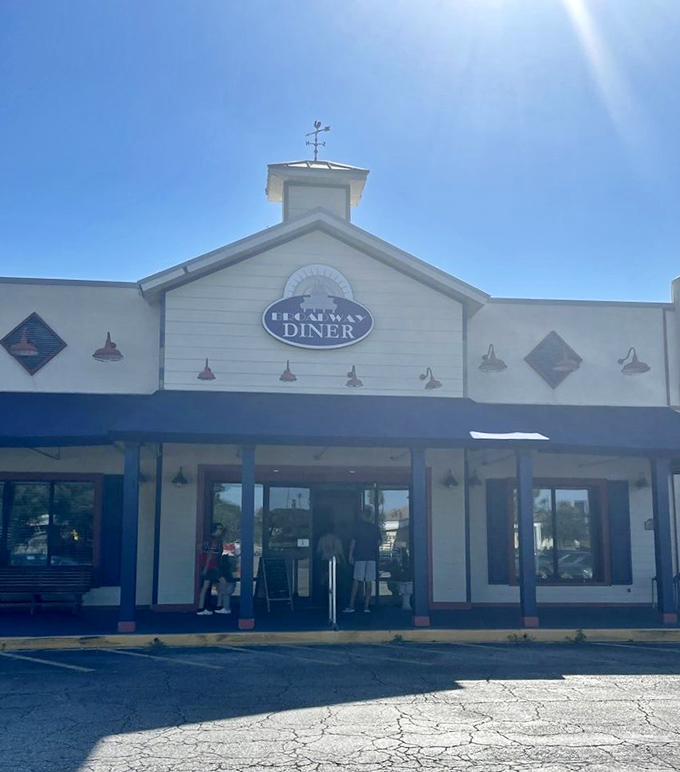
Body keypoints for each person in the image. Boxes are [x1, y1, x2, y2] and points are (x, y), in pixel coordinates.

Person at [344, 508, 382, 613]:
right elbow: (379, 542)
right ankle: (366, 606)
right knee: (369, 582)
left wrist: (350, 555)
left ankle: (351, 605)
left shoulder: (358, 528)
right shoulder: (375, 528)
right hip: (371, 557)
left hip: (360, 556)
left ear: (363, 516)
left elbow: (353, 542)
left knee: (357, 580)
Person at [197, 522, 224, 615]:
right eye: (219, 529)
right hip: (211, 567)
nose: (220, 531)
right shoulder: (214, 541)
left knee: (205, 587)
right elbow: (210, 555)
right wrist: (206, 567)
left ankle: (201, 608)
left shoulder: (207, 540)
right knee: (222, 582)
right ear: (214, 530)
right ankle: (219, 606)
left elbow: (200, 549)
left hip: (208, 567)